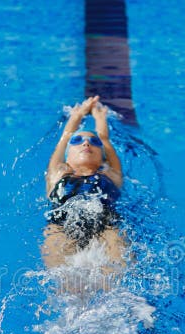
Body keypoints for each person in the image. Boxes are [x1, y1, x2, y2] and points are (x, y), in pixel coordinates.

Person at [41, 95, 127, 272]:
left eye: (93, 142)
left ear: (102, 156)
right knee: (64, 282)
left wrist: (100, 117)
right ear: (68, 155)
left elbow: (104, 139)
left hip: (107, 227)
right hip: (61, 228)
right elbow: (64, 137)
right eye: (77, 140)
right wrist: (77, 115)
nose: (86, 143)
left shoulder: (111, 173)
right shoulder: (57, 173)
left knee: (118, 276)